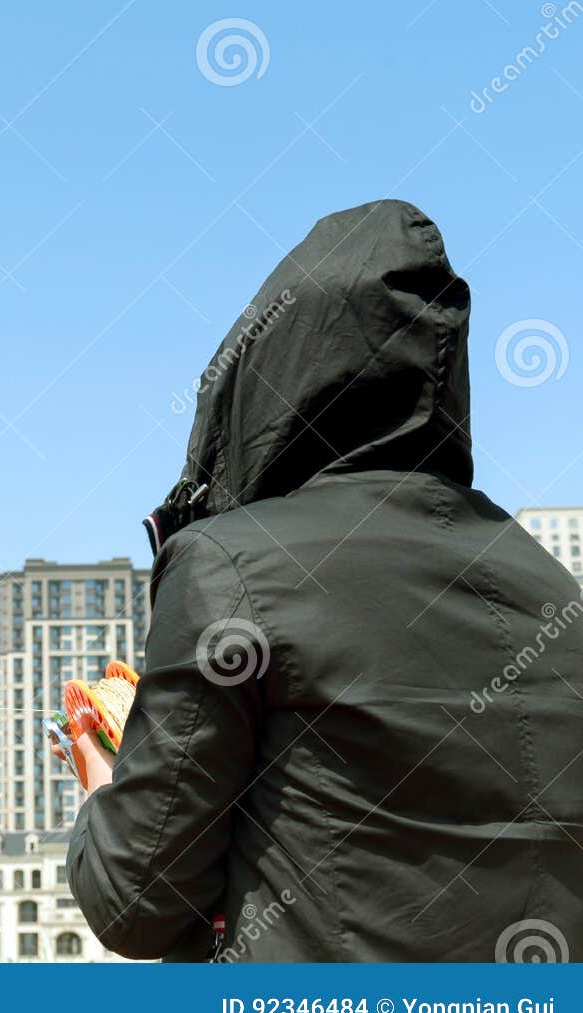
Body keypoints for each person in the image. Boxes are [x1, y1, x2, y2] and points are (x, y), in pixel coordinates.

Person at [57, 199, 583, 962]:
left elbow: (137, 903)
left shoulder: (228, 565)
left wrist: (99, 769)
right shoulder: (554, 585)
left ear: (269, 382)